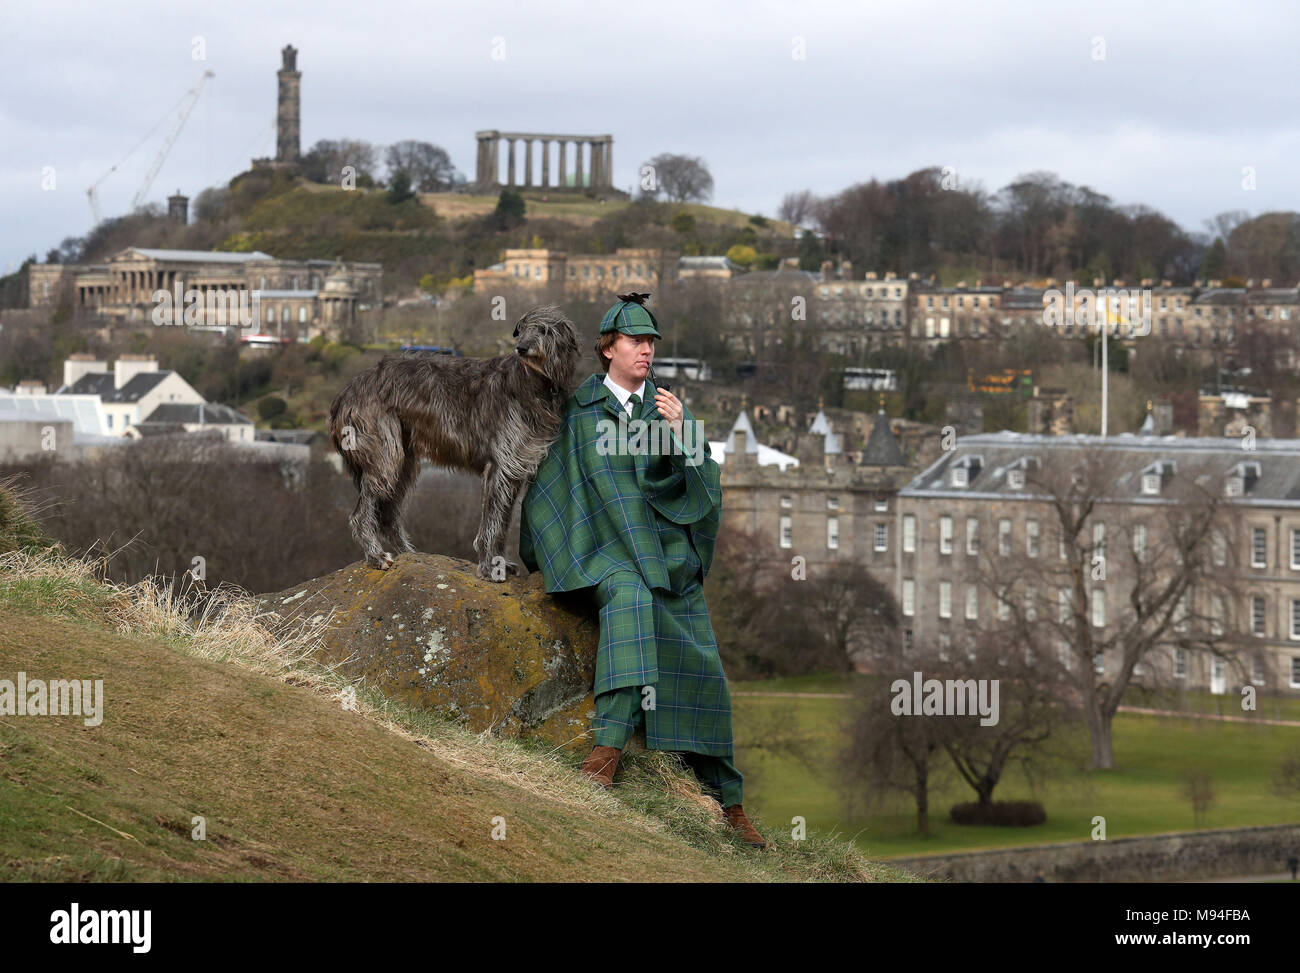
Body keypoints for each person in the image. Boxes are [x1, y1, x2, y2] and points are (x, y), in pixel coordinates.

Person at [518, 292, 765, 849]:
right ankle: (606, 753)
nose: (647, 351)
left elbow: (702, 492)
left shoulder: (668, 410)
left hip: (666, 561)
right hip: (603, 556)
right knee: (629, 597)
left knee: (704, 661)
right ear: (608, 348)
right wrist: (547, 553)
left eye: (652, 341)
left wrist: (685, 439)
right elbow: (552, 489)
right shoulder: (578, 411)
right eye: (636, 341)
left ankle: (728, 802)